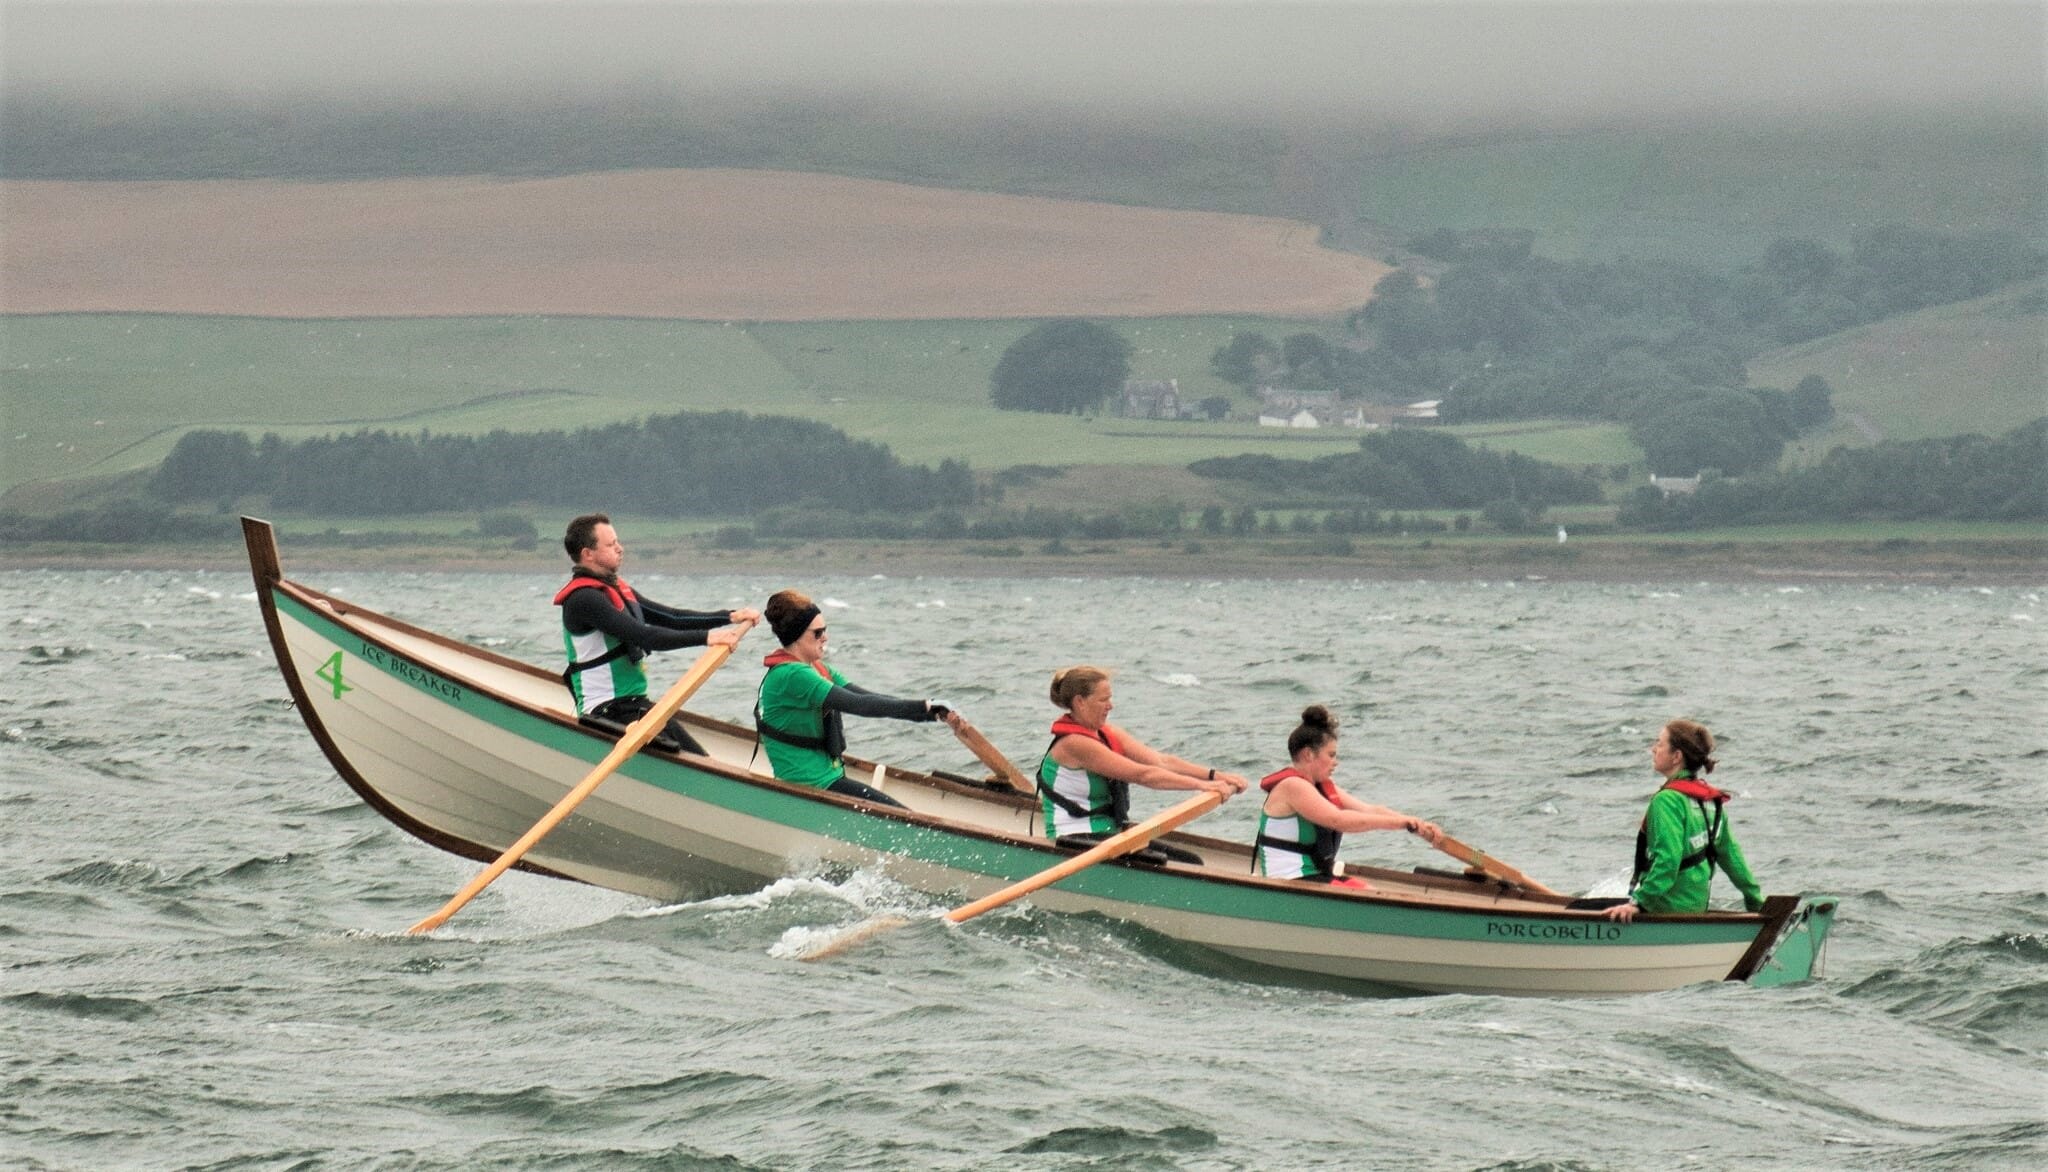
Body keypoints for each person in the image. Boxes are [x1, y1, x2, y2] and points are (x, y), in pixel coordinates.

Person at [555, 513, 760, 755]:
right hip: (606, 711)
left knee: (701, 759)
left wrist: (727, 616)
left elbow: (671, 617)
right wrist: (706, 638)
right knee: (693, 760)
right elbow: (645, 637)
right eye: (611, 545)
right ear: (588, 553)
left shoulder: (615, 588)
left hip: (633, 706)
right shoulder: (584, 599)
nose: (620, 549)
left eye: (617, 542)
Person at [754, 588, 962, 808]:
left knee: (904, 815)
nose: (825, 637)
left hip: (827, 777)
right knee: (905, 816)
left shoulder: (817, 668)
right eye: (817, 633)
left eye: (825, 630)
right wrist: (924, 707)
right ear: (796, 637)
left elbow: (867, 697)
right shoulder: (793, 675)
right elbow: (861, 706)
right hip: (808, 783)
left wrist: (930, 712)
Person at [1037, 665, 1246, 864]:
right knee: (1186, 864)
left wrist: (1214, 776)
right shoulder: (1075, 744)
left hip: (1109, 833)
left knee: (1190, 862)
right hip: (1073, 837)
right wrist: (1201, 786)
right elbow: (1143, 775)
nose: (1111, 705)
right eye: (1104, 699)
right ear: (1080, 701)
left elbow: (1161, 762)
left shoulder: (1107, 734)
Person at [1254, 705, 1443, 889]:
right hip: (1289, 881)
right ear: (1308, 754)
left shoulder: (1320, 787)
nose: (1336, 762)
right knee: (1372, 898)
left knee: (1370, 891)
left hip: (1315, 876)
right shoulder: (1293, 786)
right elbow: (1339, 820)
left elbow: (1370, 810)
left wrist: (1417, 823)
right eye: (1331, 755)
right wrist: (1400, 824)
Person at [1598, 718, 1765, 922]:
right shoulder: (1711, 802)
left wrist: (1639, 904)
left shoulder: (1667, 801)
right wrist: (1756, 902)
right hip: (1694, 909)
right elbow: (1733, 858)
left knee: (1582, 907)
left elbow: (1668, 860)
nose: (1653, 749)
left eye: (1659, 744)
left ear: (1676, 756)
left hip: (1663, 910)